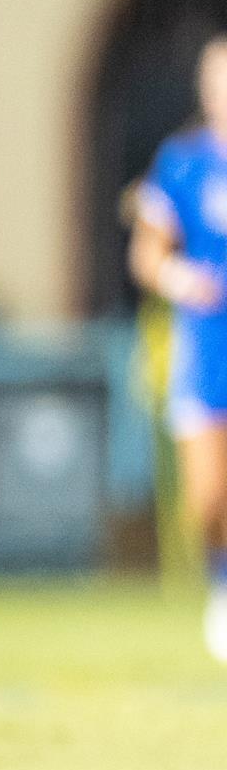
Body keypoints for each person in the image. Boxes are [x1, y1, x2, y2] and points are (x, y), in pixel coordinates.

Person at [131, 35, 227, 664]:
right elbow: (147, 253)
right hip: (207, 347)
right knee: (207, 498)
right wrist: (177, 278)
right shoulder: (183, 162)